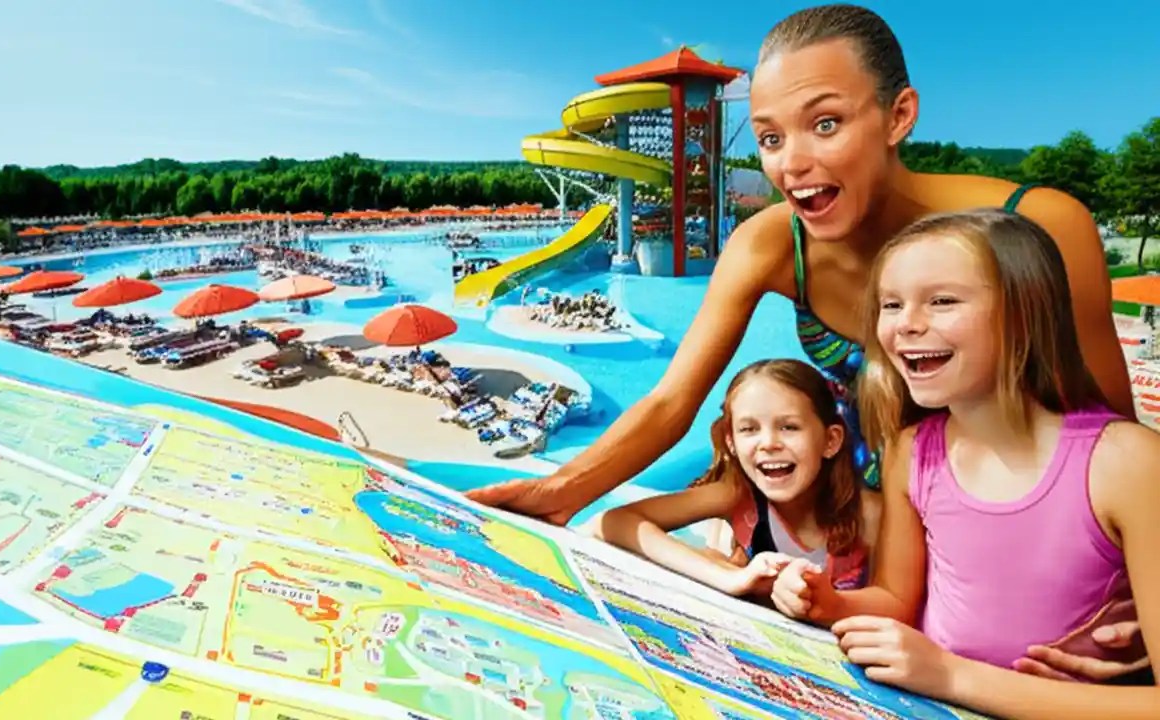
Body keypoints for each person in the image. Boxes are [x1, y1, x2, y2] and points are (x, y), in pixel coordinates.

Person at [465, 3, 1140, 680]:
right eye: (768, 138)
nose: (793, 163)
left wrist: (1127, 591)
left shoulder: (1038, 228)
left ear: (899, 116)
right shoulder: (771, 240)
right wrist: (561, 491)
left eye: (826, 123)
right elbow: (673, 401)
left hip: (989, 526)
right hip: (853, 517)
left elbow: (1104, 426)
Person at [767, 209, 1157, 718]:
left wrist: (952, 675)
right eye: (890, 304)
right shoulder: (913, 452)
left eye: (942, 301)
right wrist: (829, 603)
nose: (906, 323)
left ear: (1025, 312)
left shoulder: (1125, 464)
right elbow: (897, 601)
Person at [590, 358, 880, 598]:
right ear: (731, 442)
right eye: (749, 429)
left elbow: (895, 606)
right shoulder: (739, 496)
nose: (768, 443)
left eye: (789, 427)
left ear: (831, 440)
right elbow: (614, 522)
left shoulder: (868, 515)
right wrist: (728, 576)